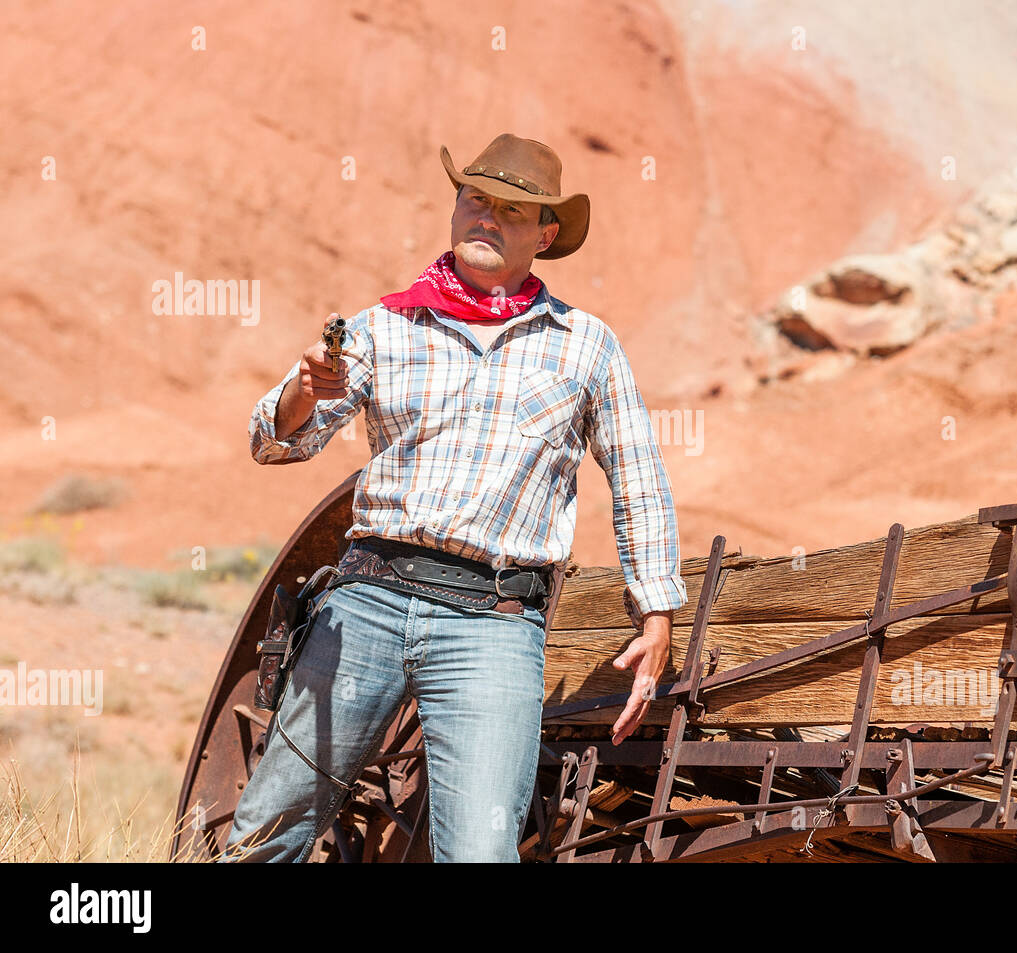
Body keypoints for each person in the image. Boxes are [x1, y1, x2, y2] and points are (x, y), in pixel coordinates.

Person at [222, 133, 686, 862]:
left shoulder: (586, 345)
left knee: (479, 852)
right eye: (476, 198)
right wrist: (302, 394)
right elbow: (277, 441)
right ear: (455, 207)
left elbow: (639, 478)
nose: (487, 218)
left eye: (512, 209)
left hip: (494, 625)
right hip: (367, 600)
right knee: (265, 832)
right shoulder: (382, 327)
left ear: (546, 232)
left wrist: (655, 610)